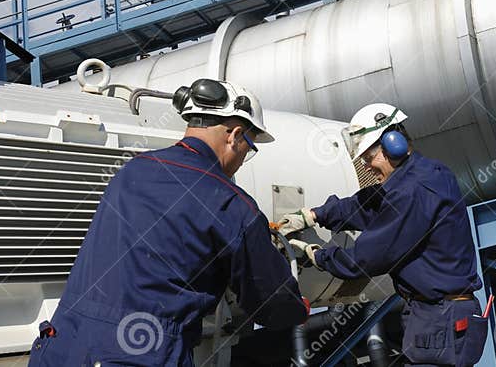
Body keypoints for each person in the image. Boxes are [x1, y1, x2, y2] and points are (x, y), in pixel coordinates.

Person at [28, 78, 308, 367]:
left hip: (61, 347)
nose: (242, 158)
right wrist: (298, 308)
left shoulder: (131, 171)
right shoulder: (232, 204)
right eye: (249, 147)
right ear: (235, 135)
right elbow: (271, 304)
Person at [279, 103, 488, 366]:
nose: (366, 167)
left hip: (440, 317)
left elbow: (367, 258)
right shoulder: (425, 174)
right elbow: (367, 205)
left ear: (393, 144)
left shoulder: (414, 191)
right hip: (436, 314)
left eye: (368, 158)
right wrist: (315, 214)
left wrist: (318, 256)